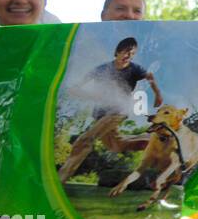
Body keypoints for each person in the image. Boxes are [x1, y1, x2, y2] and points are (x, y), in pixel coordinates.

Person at [57, 37, 164, 183]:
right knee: (116, 145)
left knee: (86, 139)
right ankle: (152, 139)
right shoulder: (102, 69)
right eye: (126, 52)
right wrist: (76, 89)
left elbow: (150, 77)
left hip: (118, 111)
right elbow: (83, 81)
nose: (128, 56)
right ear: (118, 52)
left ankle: (59, 178)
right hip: (100, 114)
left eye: (132, 54)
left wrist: (157, 94)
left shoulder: (135, 69)